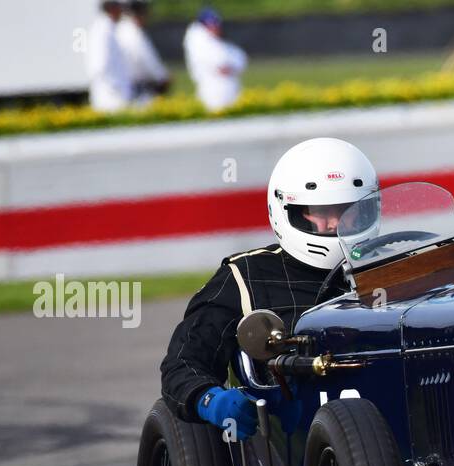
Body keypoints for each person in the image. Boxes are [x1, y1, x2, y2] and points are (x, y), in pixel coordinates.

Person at [160, 138, 380, 438]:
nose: (333, 224)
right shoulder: (245, 276)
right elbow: (183, 362)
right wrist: (212, 400)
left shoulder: (394, 266)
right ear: (287, 210)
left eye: (346, 210)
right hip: (293, 436)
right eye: (318, 211)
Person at [183, 8, 247, 112]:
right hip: (211, 93)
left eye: (216, 23)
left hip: (228, 91)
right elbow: (220, 64)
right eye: (211, 23)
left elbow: (240, 59)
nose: (215, 27)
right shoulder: (197, 40)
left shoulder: (218, 43)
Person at [86, 1, 134, 113]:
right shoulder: (103, 31)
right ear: (112, 8)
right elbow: (99, 66)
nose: (123, 12)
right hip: (110, 100)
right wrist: (115, 90)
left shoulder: (108, 28)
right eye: (121, 7)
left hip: (113, 98)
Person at [116, 1, 170, 100]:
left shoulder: (121, 29)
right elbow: (148, 60)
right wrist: (163, 76)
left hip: (127, 88)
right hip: (139, 90)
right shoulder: (133, 32)